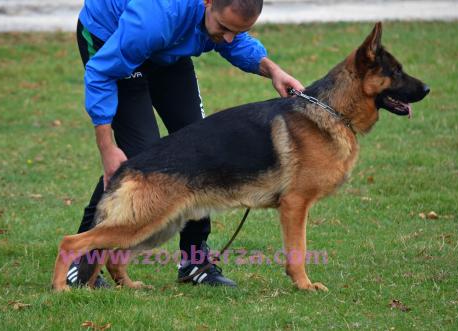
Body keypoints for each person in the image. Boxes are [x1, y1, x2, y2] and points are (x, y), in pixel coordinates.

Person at [67, 0, 305, 288]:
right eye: (224, 28)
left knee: (203, 148)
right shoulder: (156, 18)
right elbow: (101, 73)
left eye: (237, 30)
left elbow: (234, 42)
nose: (228, 37)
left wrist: (273, 70)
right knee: (139, 156)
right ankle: (80, 262)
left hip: (167, 46)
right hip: (112, 38)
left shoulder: (214, 18)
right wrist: (107, 148)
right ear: (208, 3)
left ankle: (194, 261)